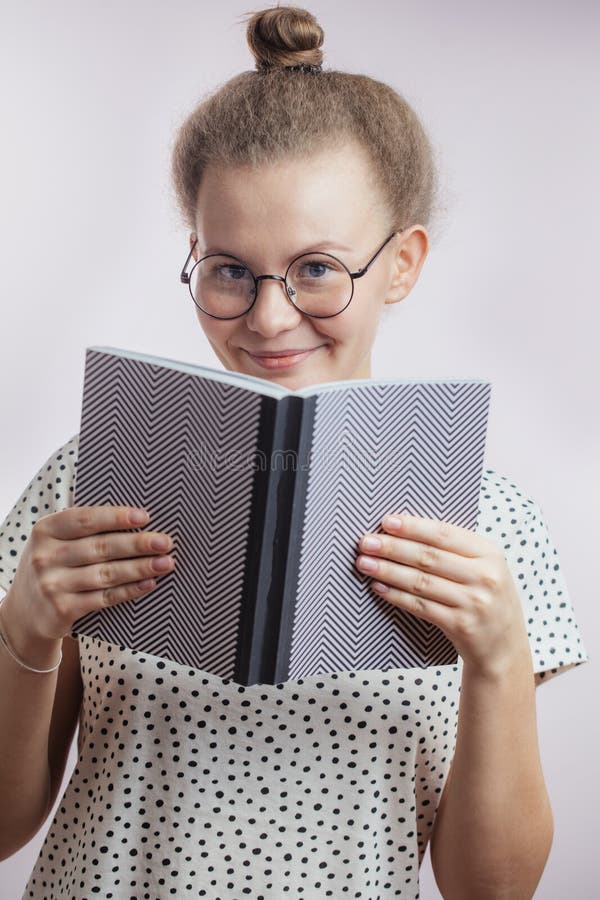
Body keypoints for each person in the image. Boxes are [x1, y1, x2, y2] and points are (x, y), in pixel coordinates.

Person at [0, 6, 589, 899]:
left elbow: (492, 890)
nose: (270, 319)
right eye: (230, 269)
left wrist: (498, 656)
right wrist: (25, 631)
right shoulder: (97, 475)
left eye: (318, 267)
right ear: (194, 257)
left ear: (401, 263)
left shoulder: (486, 518)